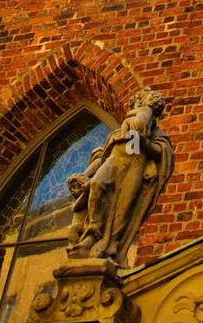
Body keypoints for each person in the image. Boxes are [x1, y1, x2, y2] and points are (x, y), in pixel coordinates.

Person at [67, 87, 174, 266]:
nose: (146, 109)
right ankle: (92, 236)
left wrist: (143, 142)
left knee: (124, 207)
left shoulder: (155, 133)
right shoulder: (121, 130)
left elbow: (153, 151)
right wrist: (84, 176)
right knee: (97, 185)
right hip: (115, 161)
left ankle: (111, 247)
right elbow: (102, 158)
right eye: (145, 104)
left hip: (134, 167)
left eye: (149, 108)